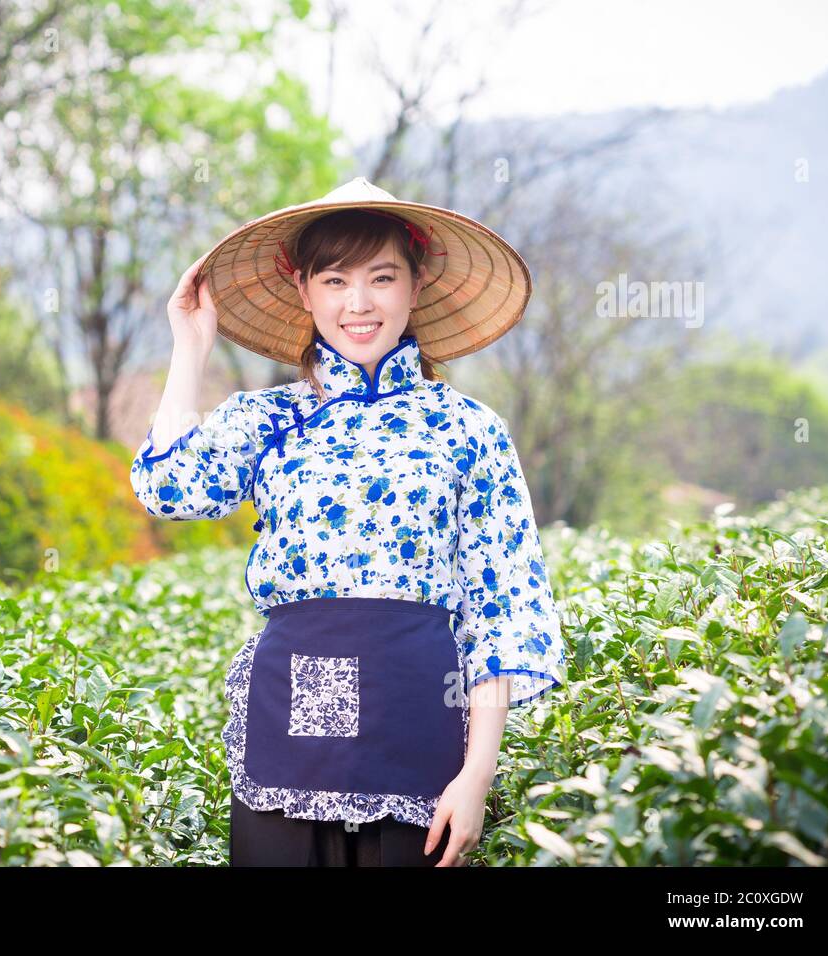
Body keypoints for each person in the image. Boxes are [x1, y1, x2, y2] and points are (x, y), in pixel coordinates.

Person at [129, 177, 567, 867]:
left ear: (416, 285)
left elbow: (505, 609)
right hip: (293, 717)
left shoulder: (469, 430)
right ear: (304, 290)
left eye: (381, 277)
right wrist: (190, 345)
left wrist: (476, 776)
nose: (358, 304)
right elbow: (167, 486)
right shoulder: (267, 419)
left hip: (422, 724)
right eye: (334, 280)